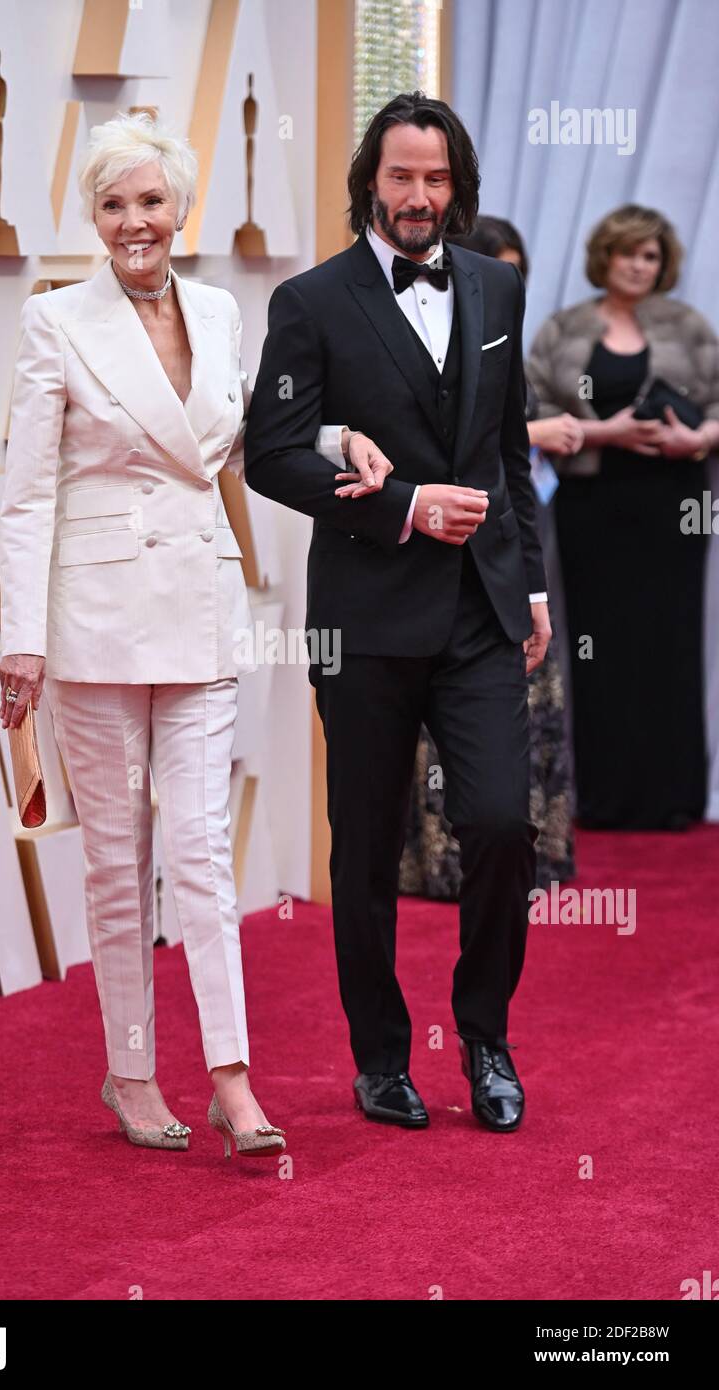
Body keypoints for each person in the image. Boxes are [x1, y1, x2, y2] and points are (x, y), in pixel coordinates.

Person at [245, 93, 551, 1134]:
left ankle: (485, 1035)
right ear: (368, 182)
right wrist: (404, 504)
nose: (418, 197)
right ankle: (381, 1057)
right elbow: (272, 452)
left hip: (479, 615)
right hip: (367, 617)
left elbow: (507, 451)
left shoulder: (499, 283)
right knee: (367, 849)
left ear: (458, 185)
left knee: (504, 823)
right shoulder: (312, 300)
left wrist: (535, 583)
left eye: (436, 179)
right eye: (400, 177)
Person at [0, 111, 288, 1158]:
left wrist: (341, 438)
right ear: (93, 216)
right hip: (95, 624)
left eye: (151, 201)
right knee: (118, 865)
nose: (135, 222)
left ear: (181, 206)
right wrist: (19, 638)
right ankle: (130, 1073)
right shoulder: (56, 321)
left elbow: (250, 439)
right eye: (114, 204)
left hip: (203, 610)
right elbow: (26, 496)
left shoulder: (218, 310)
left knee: (204, 850)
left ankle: (232, 1078)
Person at [399, 215, 579, 898]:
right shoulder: (422, 342)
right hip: (440, 563)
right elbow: (444, 438)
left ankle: (537, 856)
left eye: (518, 274)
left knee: (535, 712)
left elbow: (505, 451)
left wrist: (533, 589)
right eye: (498, 270)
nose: (508, 286)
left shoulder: (505, 340)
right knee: (448, 731)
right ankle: (449, 868)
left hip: (511, 557)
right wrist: (541, 430)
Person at [527, 204, 719, 829]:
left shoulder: (689, 325)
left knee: (670, 643)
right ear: (604, 257)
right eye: (628, 253)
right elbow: (531, 413)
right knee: (597, 647)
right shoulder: (563, 327)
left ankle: (675, 797)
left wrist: (701, 439)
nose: (639, 265)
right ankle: (603, 798)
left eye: (651, 255)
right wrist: (601, 431)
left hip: (676, 509)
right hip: (594, 510)